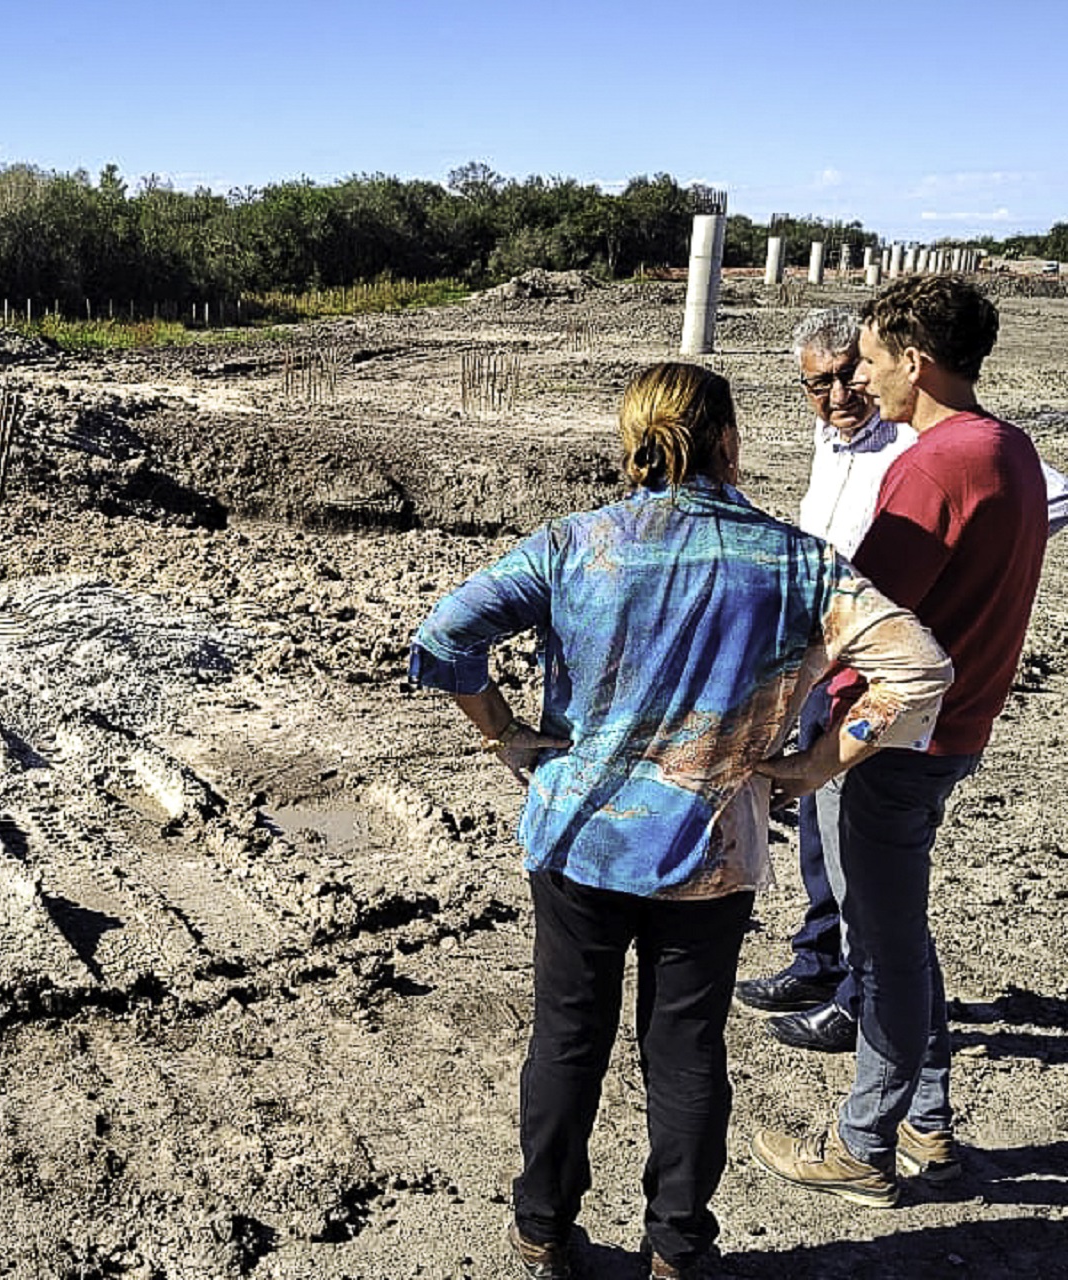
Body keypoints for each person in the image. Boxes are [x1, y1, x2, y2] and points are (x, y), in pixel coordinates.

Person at [408, 362, 949, 1278]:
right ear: (729, 441)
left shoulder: (573, 545)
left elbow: (443, 637)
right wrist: (819, 763)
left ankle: (541, 1232)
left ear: (633, 445)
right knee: (688, 1051)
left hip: (577, 841)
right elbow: (920, 667)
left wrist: (505, 734)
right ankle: (677, 1249)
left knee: (567, 1039)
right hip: (712, 851)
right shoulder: (796, 561)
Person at [751, 276, 1048, 1207]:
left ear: (915, 362)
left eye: (873, 361)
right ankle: (927, 1122)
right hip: (952, 731)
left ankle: (864, 1147)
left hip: (890, 739)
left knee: (880, 947)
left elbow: (852, 619)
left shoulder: (932, 468)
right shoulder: (1008, 447)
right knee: (899, 928)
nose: (863, 381)